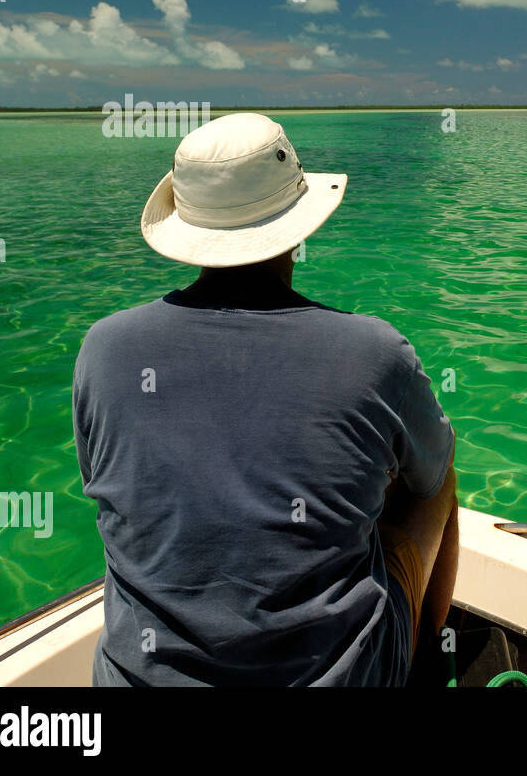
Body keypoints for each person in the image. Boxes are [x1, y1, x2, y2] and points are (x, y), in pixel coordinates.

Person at [72, 112, 458, 685]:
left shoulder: (104, 349)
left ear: (189, 226)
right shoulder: (375, 353)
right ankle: (425, 654)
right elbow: (429, 472)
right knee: (436, 477)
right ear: (298, 226)